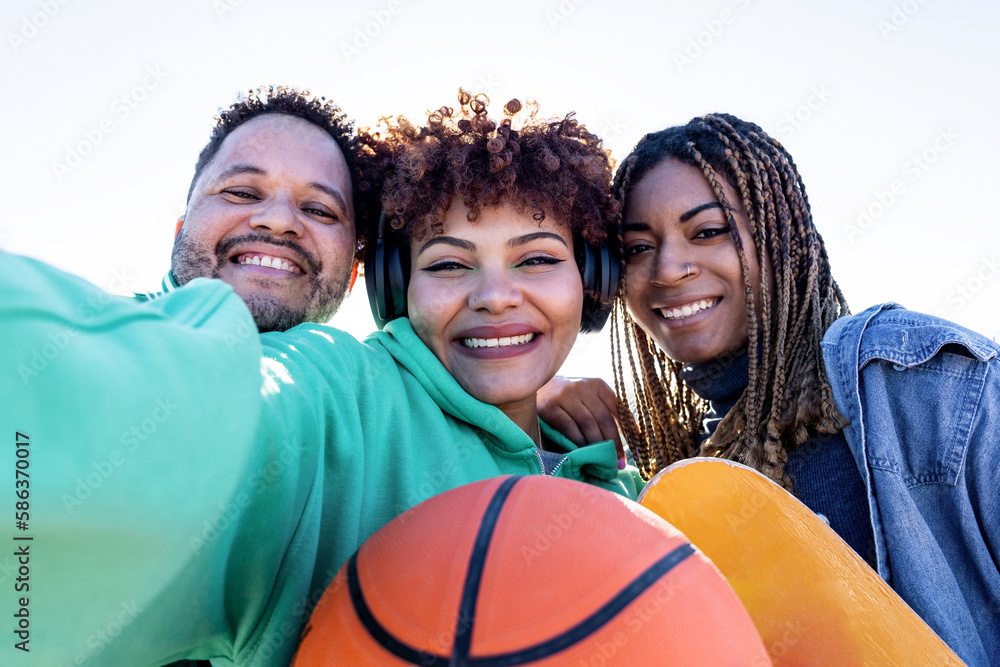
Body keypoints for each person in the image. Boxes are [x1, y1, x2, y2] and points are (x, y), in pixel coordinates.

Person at [0, 91, 640, 666]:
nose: (496, 297)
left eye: (536, 259)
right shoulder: (343, 395)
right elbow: (215, 420)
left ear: (592, 281)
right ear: (396, 290)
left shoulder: (617, 475)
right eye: (448, 263)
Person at [538, 113, 999, 665]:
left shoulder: (917, 379)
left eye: (708, 232)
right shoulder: (679, 472)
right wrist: (530, 398)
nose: (669, 268)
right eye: (637, 248)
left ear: (782, 239)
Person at [137, 85, 384, 332]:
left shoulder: (369, 369)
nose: (280, 220)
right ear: (180, 232)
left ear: (352, 275)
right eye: (241, 193)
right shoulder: (101, 325)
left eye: (319, 210)